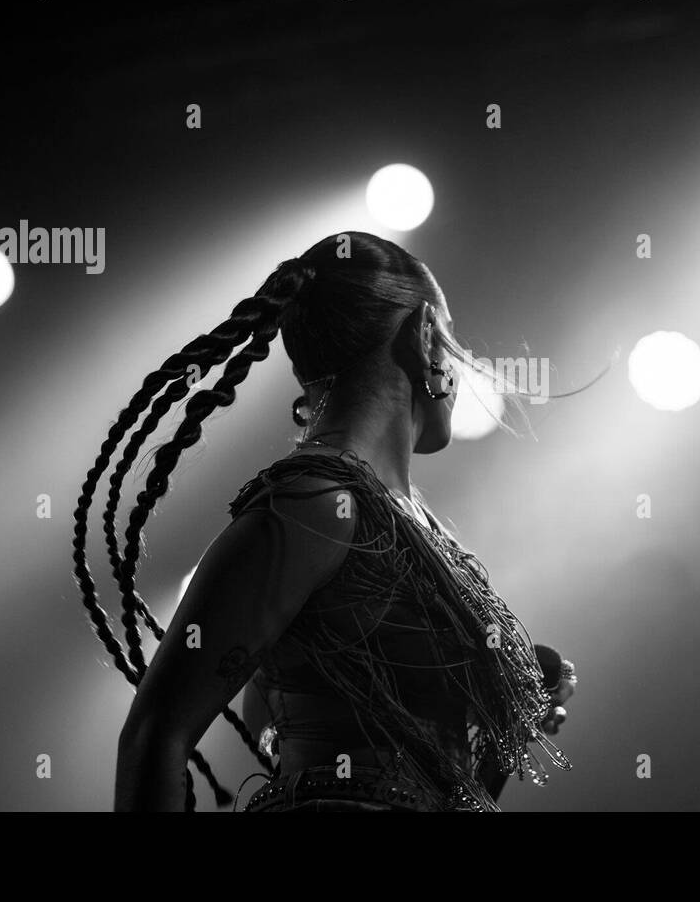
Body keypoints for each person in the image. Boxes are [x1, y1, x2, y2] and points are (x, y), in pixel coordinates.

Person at [71, 231, 576, 811]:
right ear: (423, 334)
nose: (458, 362)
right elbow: (156, 731)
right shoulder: (314, 504)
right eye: (451, 335)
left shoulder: (402, 522)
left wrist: (511, 706)